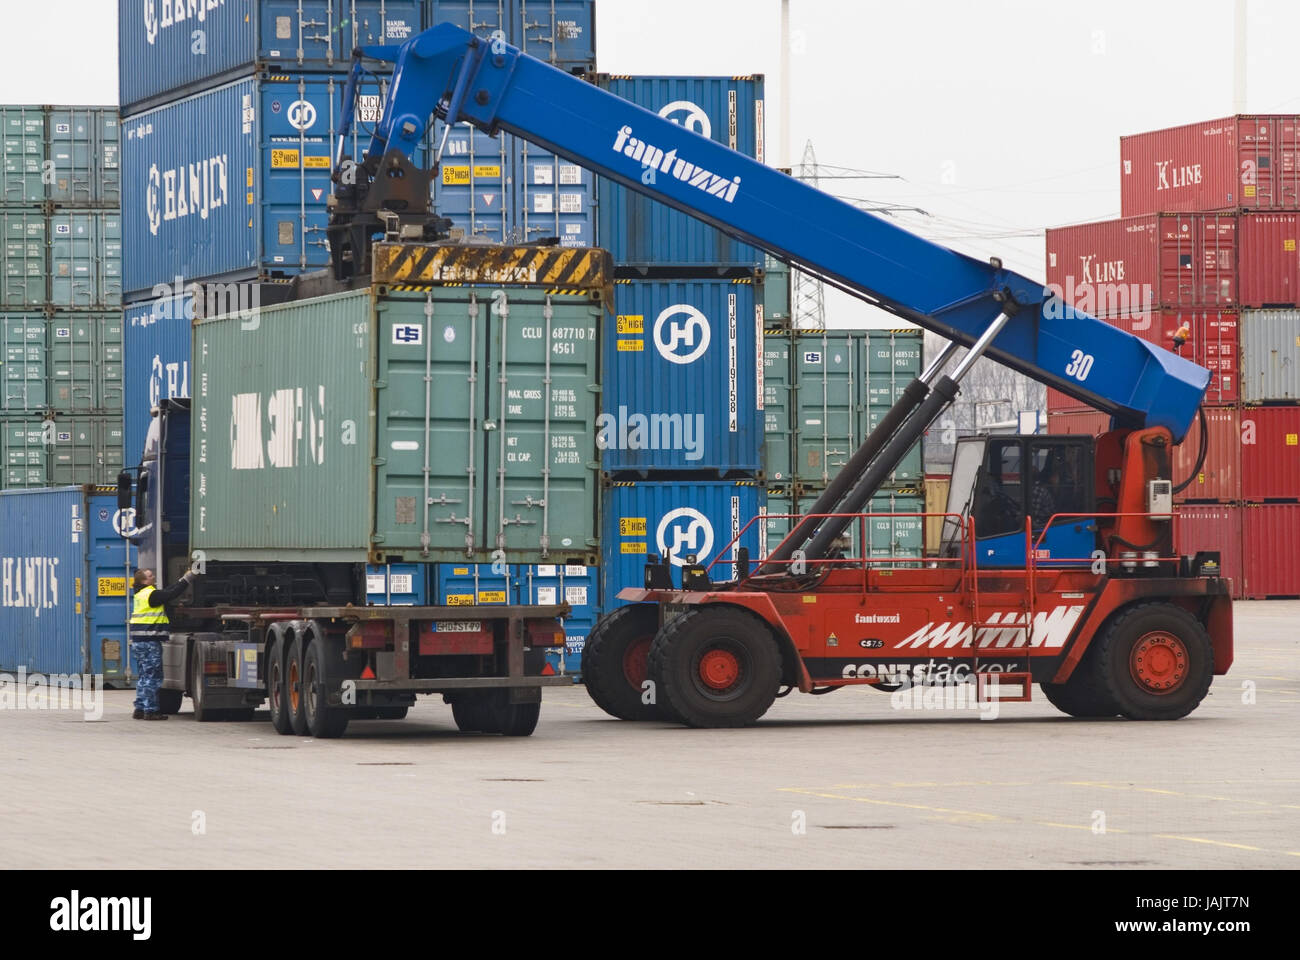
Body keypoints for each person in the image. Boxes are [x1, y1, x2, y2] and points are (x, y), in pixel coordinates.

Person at [130, 568, 197, 720]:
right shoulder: (151, 594)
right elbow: (171, 594)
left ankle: (140, 708)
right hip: (149, 642)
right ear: (144, 581)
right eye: (149, 576)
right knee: (153, 677)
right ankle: (151, 710)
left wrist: (182, 579)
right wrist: (188, 578)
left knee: (143, 676)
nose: (153, 576)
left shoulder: (141, 594)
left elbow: (167, 592)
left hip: (139, 642)